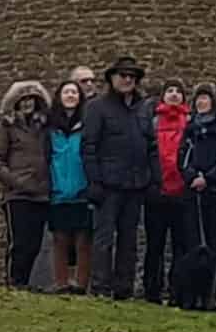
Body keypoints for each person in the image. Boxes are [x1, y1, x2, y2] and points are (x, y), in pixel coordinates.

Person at [83, 55, 157, 300]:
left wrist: (151, 178)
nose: (127, 80)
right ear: (111, 78)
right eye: (123, 75)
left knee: (129, 239)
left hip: (135, 184)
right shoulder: (97, 108)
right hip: (108, 184)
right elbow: (89, 146)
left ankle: (123, 288)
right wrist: (94, 181)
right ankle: (101, 287)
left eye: (132, 77)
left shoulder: (141, 109)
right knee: (104, 238)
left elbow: (149, 145)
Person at [0, 80, 52, 288]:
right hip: (17, 195)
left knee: (34, 244)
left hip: (41, 194)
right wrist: (13, 181)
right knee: (19, 243)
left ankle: (25, 283)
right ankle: (14, 282)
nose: (27, 103)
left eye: (31, 99)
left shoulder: (44, 127)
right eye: (23, 99)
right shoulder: (8, 126)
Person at [143, 79, 190, 305]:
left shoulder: (189, 123)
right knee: (155, 246)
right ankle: (152, 290)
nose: (173, 95)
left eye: (178, 92)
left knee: (180, 245)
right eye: (169, 91)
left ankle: (177, 291)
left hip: (181, 191)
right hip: (157, 191)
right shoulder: (153, 123)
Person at [44, 79, 93, 294]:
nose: (71, 96)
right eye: (67, 92)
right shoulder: (50, 128)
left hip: (82, 187)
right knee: (60, 238)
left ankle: (81, 283)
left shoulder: (87, 124)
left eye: (74, 92)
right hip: (58, 188)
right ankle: (61, 282)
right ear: (59, 96)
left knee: (83, 238)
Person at [179, 82, 216, 255]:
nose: (201, 102)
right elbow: (183, 155)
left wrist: (208, 178)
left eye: (205, 98)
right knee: (192, 242)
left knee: (214, 241)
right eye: (198, 98)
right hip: (192, 192)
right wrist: (191, 176)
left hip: (215, 191)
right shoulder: (191, 128)